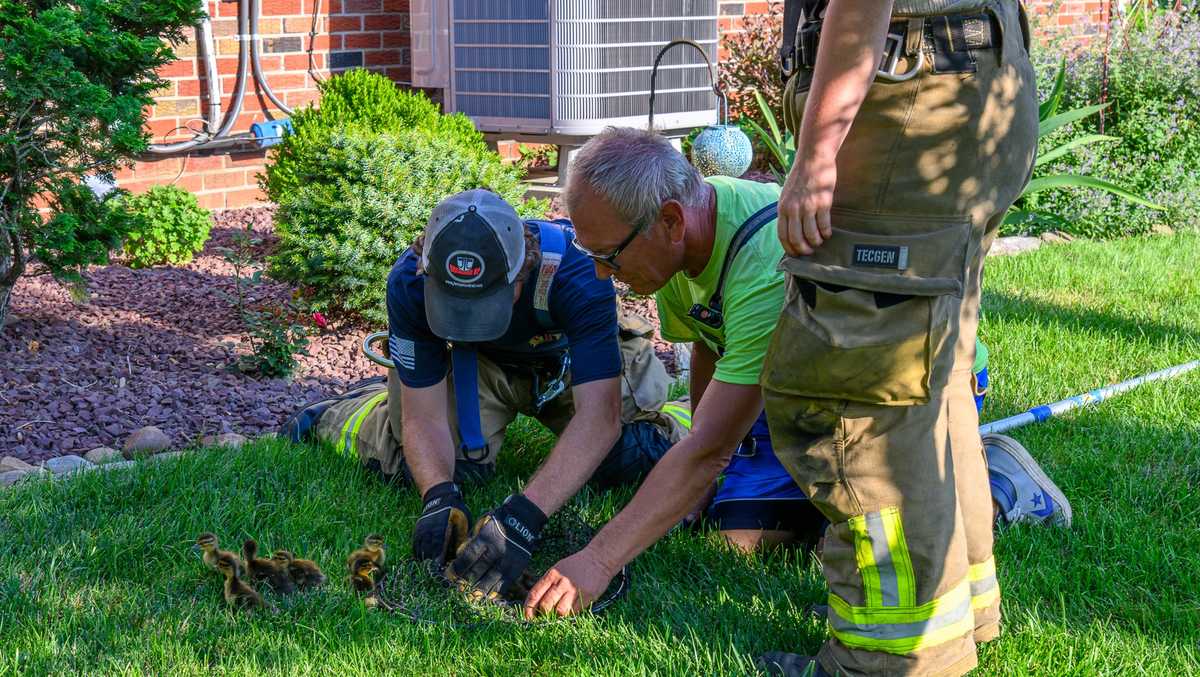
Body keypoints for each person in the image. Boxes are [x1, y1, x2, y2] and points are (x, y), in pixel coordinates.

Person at [519, 129, 1069, 630]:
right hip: (805, 384)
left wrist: (596, 561)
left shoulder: (761, 265)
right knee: (737, 540)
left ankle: (992, 476)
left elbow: (711, 447)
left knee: (886, 522)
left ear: (670, 221)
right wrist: (701, 480)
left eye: (608, 255)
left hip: (911, 391)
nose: (599, 273)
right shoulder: (675, 245)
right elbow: (711, 347)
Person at [758, 0, 1058, 673]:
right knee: (935, 376)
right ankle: (962, 613)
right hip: (973, 83)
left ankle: (887, 660)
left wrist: (817, 152)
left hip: (910, 99)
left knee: (858, 404)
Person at [282, 189, 686, 597]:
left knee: (629, 456)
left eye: (484, 302)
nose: (468, 316)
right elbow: (424, 419)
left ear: (521, 271)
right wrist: (438, 496)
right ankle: (351, 409)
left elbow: (599, 417)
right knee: (415, 462)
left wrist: (525, 516)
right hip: (480, 366)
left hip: (571, 364)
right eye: (455, 303)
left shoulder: (576, 270)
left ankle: (686, 418)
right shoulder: (409, 282)